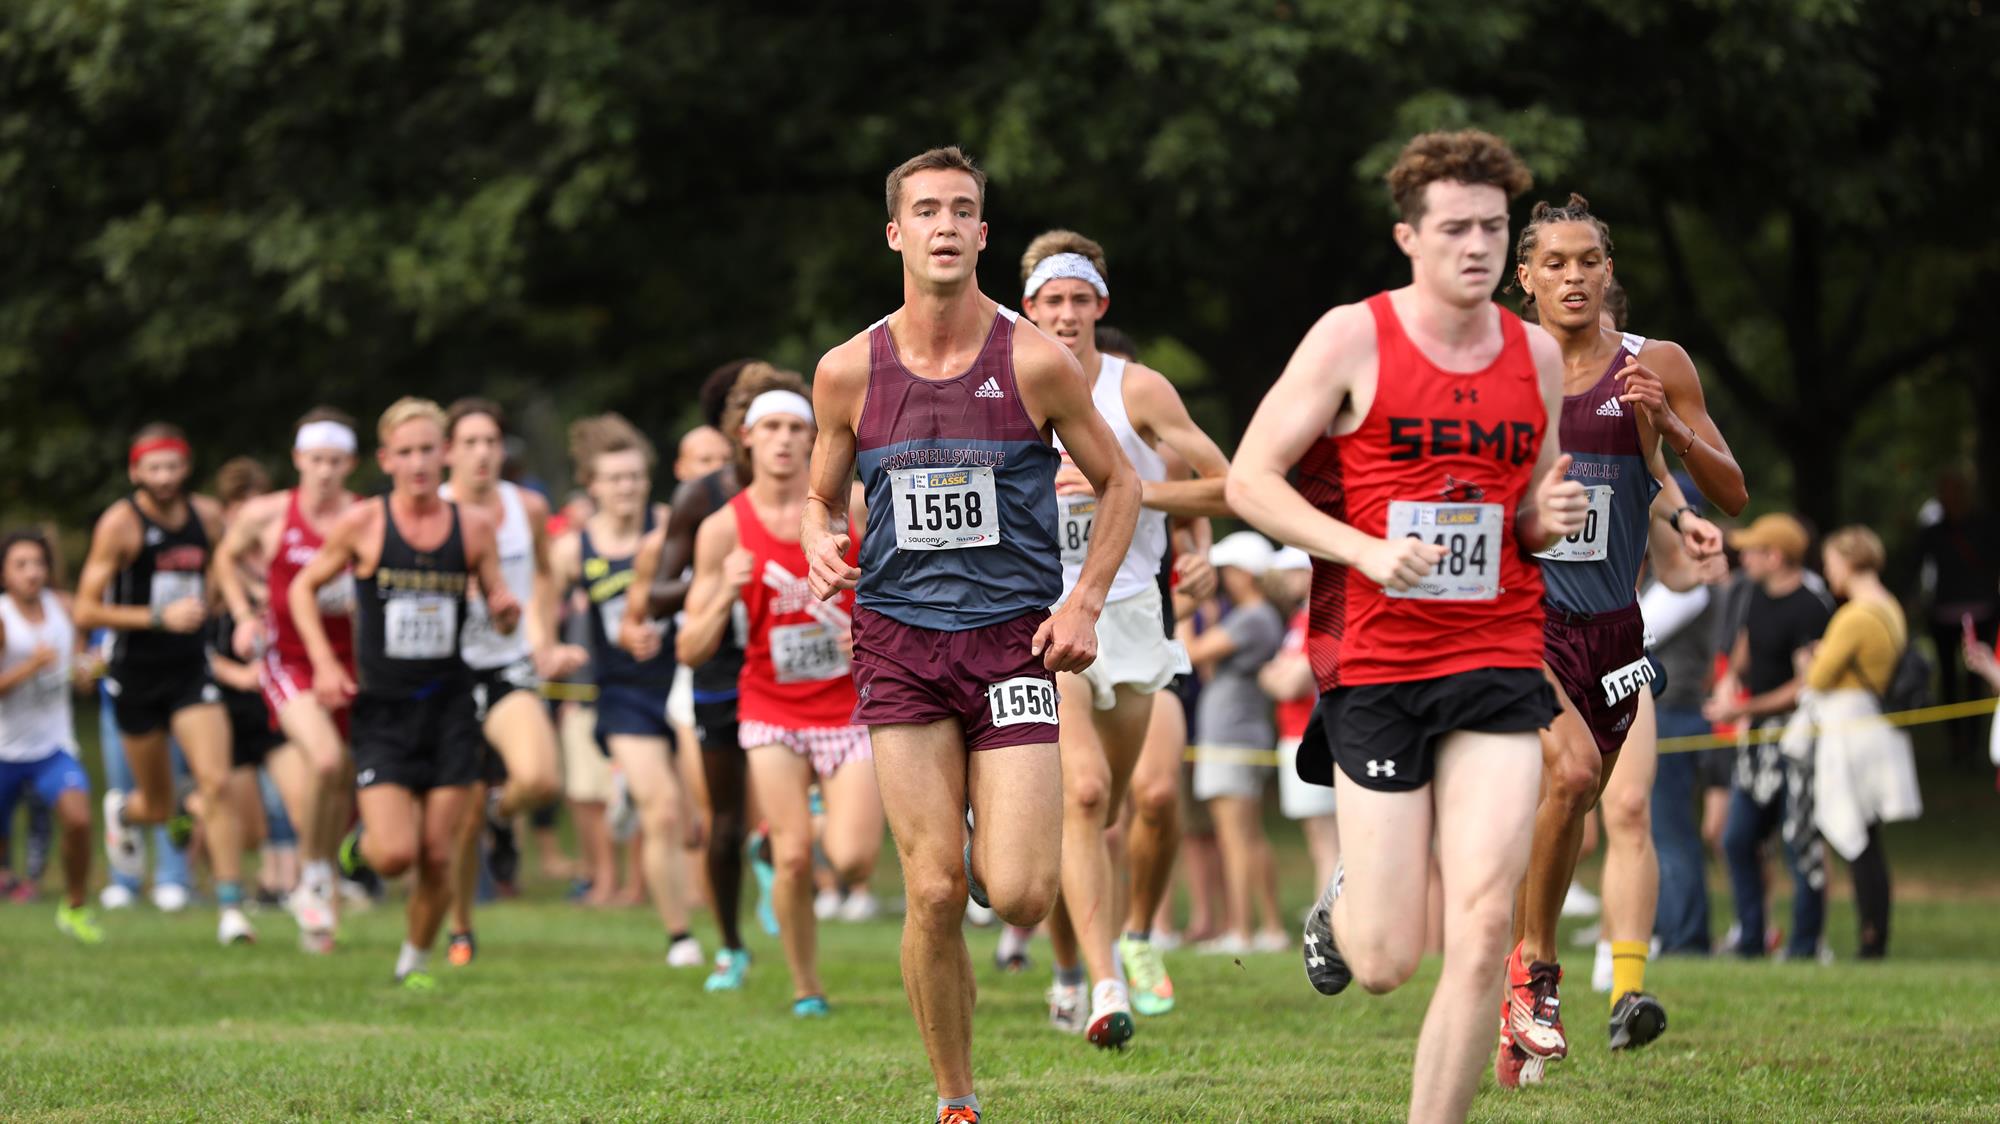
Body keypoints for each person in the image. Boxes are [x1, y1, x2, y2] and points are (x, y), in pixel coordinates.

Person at [1224, 129, 1589, 1124]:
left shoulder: (1537, 356)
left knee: (1478, 929)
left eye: (1491, 228)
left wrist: (1537, 522)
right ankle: (1340, 910)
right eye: (1454, 228)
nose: (1475, 246)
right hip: (1378, 659)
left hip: (1497, 646)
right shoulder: (1352, 336)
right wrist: (1359, 547)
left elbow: (1524, 510)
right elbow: (1245, 480)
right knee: (1387, 957)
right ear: (1407, 236)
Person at [800, 146, 1140, 1124]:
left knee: (1023, 892)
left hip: (1011, 645)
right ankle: (956, 1098)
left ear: (982, 233)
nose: (945, 224)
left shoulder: (1032, 356)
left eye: (962, 209)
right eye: (926, 210)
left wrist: (1081, 601)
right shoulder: (844, 370)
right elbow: (817, 499)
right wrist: (819, 540)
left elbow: (1118, 481)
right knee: (936, 887)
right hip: (899, 644)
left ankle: (1012, 922)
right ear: (897, 232)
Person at [1502, 193, 1739, 1081]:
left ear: (1609, 273)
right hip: (1517, 621)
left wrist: (1672, 443)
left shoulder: (1655, 364)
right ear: (1524, 278)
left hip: (1611, 630)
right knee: (1572, 778)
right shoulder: (1493, 364)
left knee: (1587, 802)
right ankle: (1538, 973)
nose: (1572, 277)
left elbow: (1730, 489)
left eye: (1587, 262)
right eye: (1554, 264)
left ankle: (1533, 997)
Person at [1017, 229, 1233, 1039]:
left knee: (1139, 800)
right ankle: (1100, 982)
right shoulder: (1005, 382)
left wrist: (1131, 494)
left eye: (1079, 300)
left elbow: (1224, 486)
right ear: (1028, 308)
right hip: (1041, 614)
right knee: (1081, 795)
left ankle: (1128, 937)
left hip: (1135, 611)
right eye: (1050, 301)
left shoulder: (1138, 389)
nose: (1065, 315)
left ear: (1100, 306)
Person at [288, 397, 520, 989]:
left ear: (444, 455)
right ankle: (358, 850)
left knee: (440, 854)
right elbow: (302, 590)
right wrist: (321, 662)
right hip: (384, 711)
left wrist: (504, 609)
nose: (419, 463)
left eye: (427, 450)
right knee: (394, 855)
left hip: (448, 706)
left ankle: (414, 960)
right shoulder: (364, 523)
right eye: (406, 452)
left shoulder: (472, 526)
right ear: (386, 459)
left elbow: (499, 604)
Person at [680, 386, 883, 1015]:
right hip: (769, 706)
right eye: (771, 427)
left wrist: (870, 631)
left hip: (848, 706)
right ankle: (806, 987)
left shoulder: (852, 508)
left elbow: (899, 589)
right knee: (796, 859)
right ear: (747, 438)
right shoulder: (722, 528)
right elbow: (689, 646)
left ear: (816, 440)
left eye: (798, 428)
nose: (785, 439)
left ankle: (788, 828)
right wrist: (721, 593)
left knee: (851, 860)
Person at [627, 361, 789, 985]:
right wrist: (719, 577)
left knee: (812, 810)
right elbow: (660, 596)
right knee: (721, 818)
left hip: (800, 670)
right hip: (723, 667)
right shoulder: (705, 497)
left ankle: (782, 847)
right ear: (734, 427)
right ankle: (731, 945)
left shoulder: (813, 483)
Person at [76, 423, 251, 945]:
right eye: (154, 468)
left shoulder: (207, 516)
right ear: (136, 472)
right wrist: (157, 617)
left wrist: (233, 606)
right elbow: (85, 606)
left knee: (215, 784)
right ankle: (123, 812)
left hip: (191, 671)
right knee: (155, 805)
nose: (165, 477)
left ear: (187, 466)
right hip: (136, 674)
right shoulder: (120, 525)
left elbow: (221, 560)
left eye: (173, 466)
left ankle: (230, 910)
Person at [554, 413, 701, 969]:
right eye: (615, 478)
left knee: (697, 819)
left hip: (682, 681)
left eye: (636, 476)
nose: (628, 487)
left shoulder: (673, 526)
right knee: (661, 812)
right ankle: (679, 936)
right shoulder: (575, 549)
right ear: (593, 485)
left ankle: (627, 795)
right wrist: (552, 648)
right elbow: (542, 610)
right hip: (622, 693)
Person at [212, 408, 363, 951]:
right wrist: (244, 614)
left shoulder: (363, 516)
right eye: (315, 460)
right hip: (289, 661)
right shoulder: (267, 513)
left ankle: (316, 880)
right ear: (299, 459)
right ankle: (316, 876)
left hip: (350, 665)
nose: (324, 471)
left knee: (339, 778)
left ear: (351, 464)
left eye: (336, 461)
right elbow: (225, 560)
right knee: (324, 759)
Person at [439, 398, 580, 967]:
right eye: (469, 442)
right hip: (446, 673)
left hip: (508, 665)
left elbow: (544, 576)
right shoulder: (434, 511)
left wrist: (541, 637)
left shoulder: (527, 506)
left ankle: (503, 815)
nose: (481, 453)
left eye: (491, 442)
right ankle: (460, 928)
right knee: (459, 810)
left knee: (541, 781)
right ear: (449, 451)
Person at [1706, 512, 1834, 960]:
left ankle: (1805, 945)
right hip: (1756, 741)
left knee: (1798, 840)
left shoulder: (1809, 606)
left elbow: (1805, 685)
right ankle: (1752, 940)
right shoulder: (1757, 595)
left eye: (1753, 550)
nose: (1744, 556)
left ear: (1775, 556)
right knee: (1738, 838)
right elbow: (1744, 649)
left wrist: (1744, 707)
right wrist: (1729, 682)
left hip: (1794, 740)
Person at [1798, 526, 1921, 959]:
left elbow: (1817, 677)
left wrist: (1811, 657)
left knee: (1859, 840)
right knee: (1869, 840)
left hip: (1850, 725)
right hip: (1874, 724)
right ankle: (1875, 935)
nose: (1828, 570)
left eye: (1831, 561)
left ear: (1849, 561)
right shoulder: (1890, 608)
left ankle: (1871, 940)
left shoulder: (1854, 615)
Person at [1187, 531, 1289, 956]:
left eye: (1228, 571)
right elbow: (1212, 668)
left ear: (1245, 574)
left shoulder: (1252, 617)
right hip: (1236, 733)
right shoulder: (1255, 617)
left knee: (1235, 837)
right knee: (1248, 835)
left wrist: (1187, 609)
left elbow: (1192, 654)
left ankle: (1241, 932)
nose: (1223, 578)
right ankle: (1268, 928)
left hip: (1232, 735)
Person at [0, 530, 102, 943]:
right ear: (5, 572)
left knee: (78, 818)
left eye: (38, 563)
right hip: (4, 749)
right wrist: (31, 666)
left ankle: (75, 907)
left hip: (53, 746)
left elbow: (82, 678)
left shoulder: (64, 608)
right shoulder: (3, 617)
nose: (31, 573)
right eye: (20, 564)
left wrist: (87, 671)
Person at [1644, 539, 1731, 955]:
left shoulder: (1686, 586)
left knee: (1670, 831)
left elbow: (1636, 628)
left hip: (1672, 713)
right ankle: (1673, 928)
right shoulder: (1685, 584)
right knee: (1663, 830)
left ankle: (1684, 936)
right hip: (1674, 712)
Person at [1260, 545, 1338, 901]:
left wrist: (1276, 676)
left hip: (1313, 734)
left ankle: (1328, 925)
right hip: (1297, 733)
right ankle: (1329, 923)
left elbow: (1291, 682)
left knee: (1328, 842)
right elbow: (1275, 677)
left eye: (1293, 570)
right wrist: (1276, 676)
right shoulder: (1300, 617)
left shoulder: (1320, 617)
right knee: (1322, 840)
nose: (1286, 578)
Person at [1915, 471, 2000, 767]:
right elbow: (1918, 563)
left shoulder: (1984, 525)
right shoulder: (1934, 530)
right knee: (1950, 677)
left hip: (1982, 608)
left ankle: (1974, 743)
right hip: (1944, 610)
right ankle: (1956, 742)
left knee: (1978, 675)